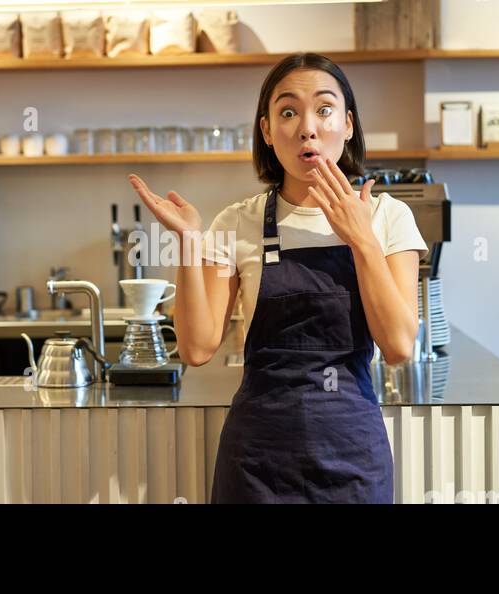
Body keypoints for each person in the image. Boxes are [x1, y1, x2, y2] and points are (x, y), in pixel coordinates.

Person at [128, 52, 426, 503]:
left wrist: (362, 241)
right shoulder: (236, 222)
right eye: (288, 112)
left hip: (352, 456)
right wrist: (189, 241)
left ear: (347, 124)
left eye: (324, 110)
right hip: (256, 460)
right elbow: (196, 347)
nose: (308, 127)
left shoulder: (387, 216)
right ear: (267, 131)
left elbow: (400, 346)